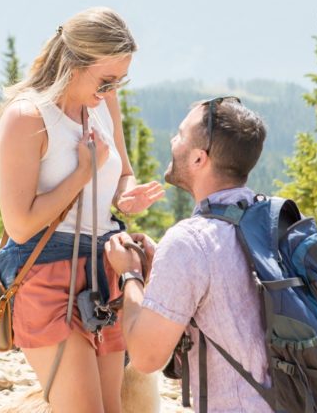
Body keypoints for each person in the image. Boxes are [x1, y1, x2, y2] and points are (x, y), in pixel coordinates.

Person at [0, 7, 165, 413]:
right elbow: (18, 226)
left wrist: (126, 195)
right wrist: (81, 173)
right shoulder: (27, 117)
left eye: (119, 81)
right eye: (106, 80)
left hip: (104, 269)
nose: (110, 91)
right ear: (74, 62)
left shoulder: (105, 103)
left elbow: (122, 171)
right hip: (43, 269)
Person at [105, 96, 272, 412]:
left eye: (180, 135)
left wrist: (130, 275)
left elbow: (146, 357)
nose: (172, 140)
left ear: (199, 159)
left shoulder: (189, 243)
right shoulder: (271, 221)